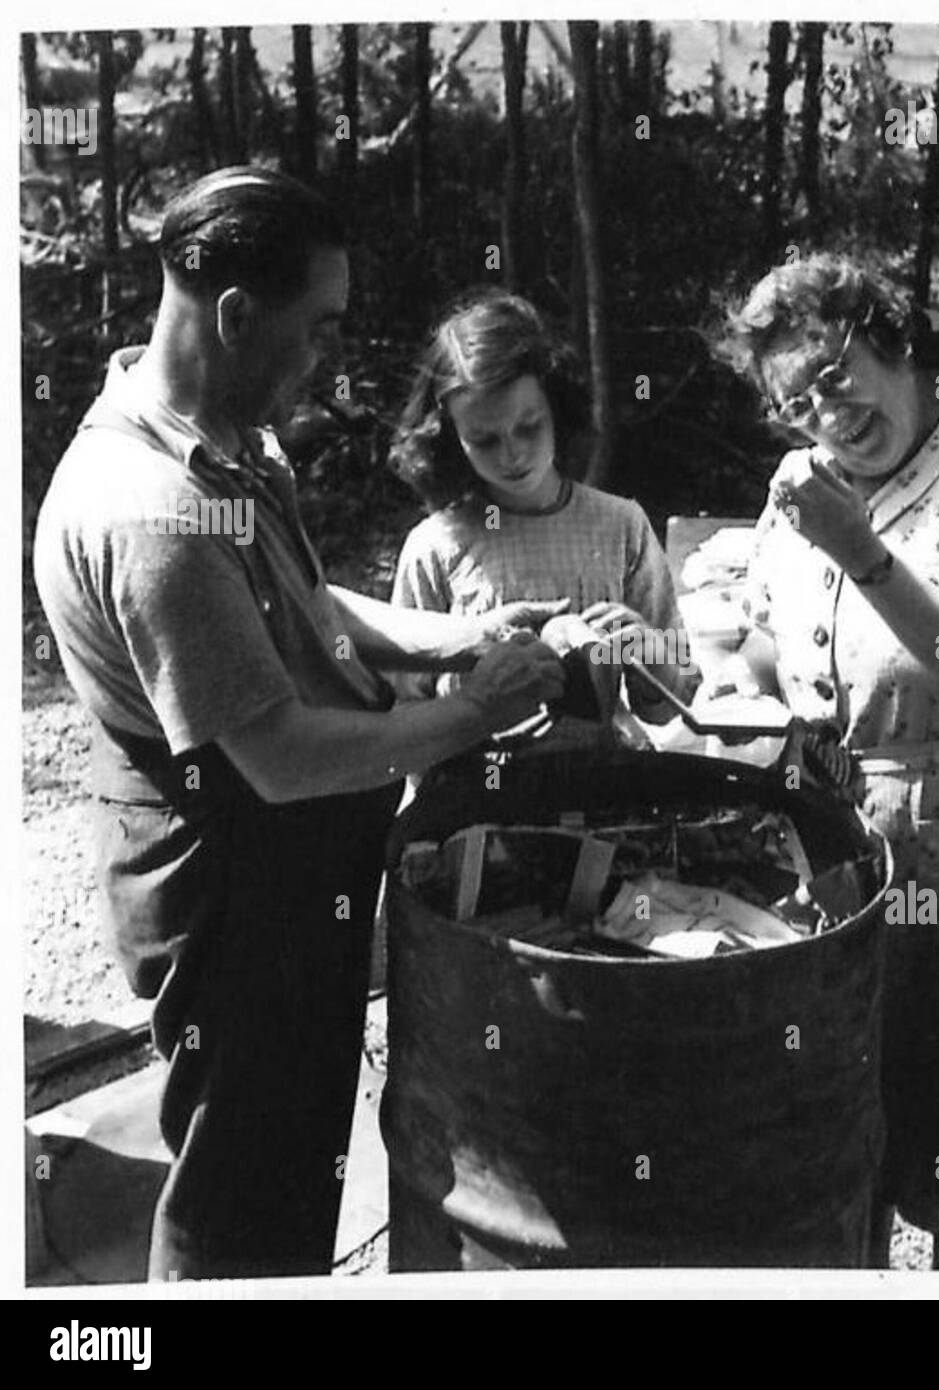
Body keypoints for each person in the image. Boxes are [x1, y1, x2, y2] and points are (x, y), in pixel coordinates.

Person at [33, 167, 565, 1280]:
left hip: (292, 886)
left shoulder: (214, 433)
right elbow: (274, 757)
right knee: (240, 1193)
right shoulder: (154, 512)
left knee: (284, 1167)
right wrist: (473, 713)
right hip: (240, 902)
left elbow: (306, 605)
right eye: (316, 328)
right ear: (236, 315)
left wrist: (450, 641)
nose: (325, 357)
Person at [719, 252, 939, 1270]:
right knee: (850, 1088)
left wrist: (862, 555)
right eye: (798, 403)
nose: (829, 415)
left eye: (837, 375)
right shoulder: (808, 490)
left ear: (891, 340)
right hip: (845, 827)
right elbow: (764, 641)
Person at [388, 289, 697, 730]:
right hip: (483, 786)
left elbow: (672, 707)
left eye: (529, 427)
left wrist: (651, 654)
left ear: (557, 407)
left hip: (602, 780)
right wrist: (472, 693)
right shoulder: (436, 548)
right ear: (448, 439)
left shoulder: (621, 525)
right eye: (485, 440)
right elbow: (405, 713)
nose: (512, 454)